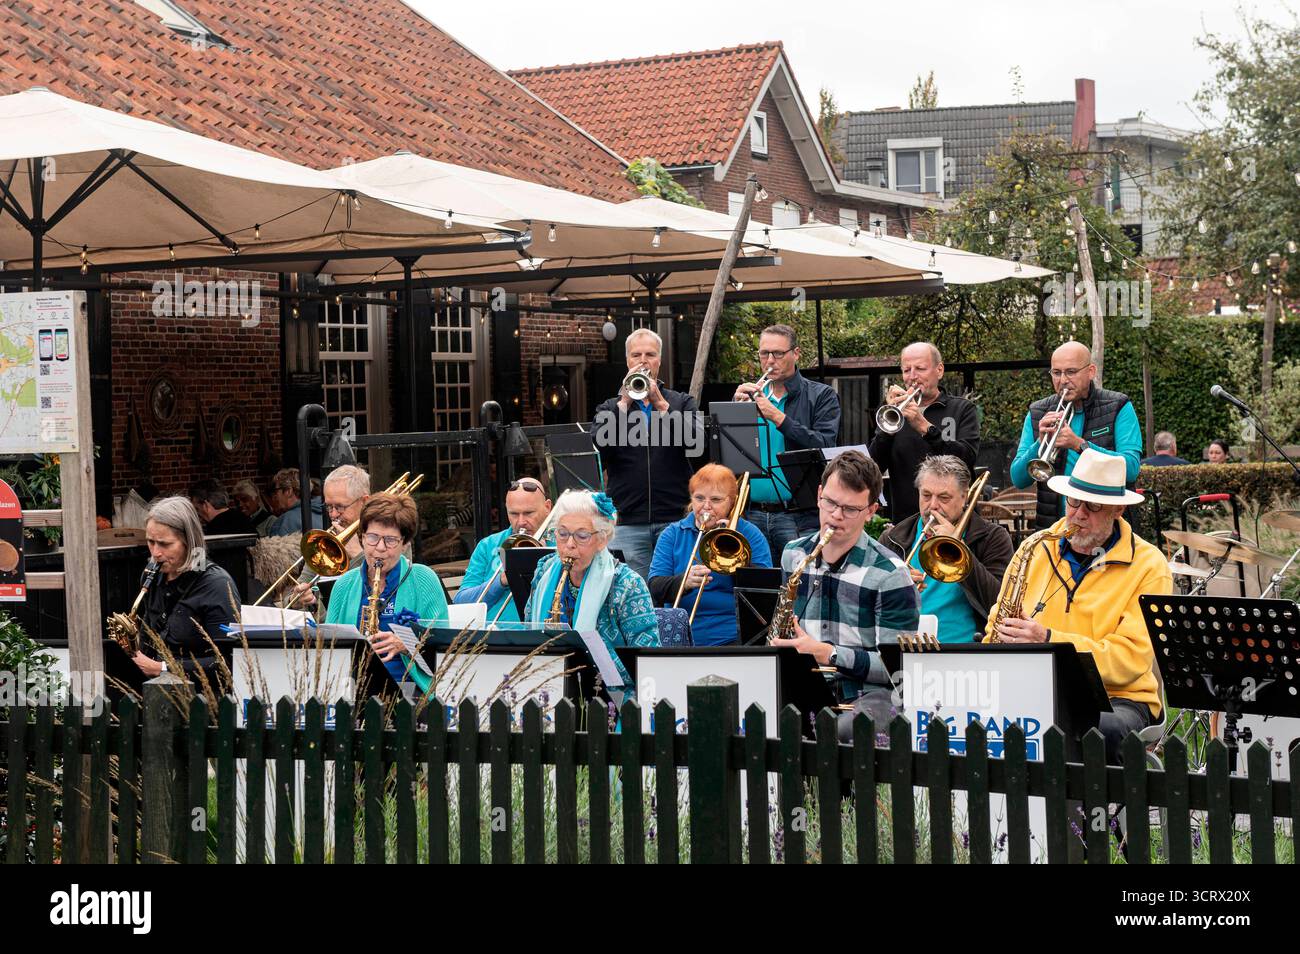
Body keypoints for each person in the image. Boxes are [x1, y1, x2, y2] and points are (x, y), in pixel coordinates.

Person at [985, 448, 1171, 764]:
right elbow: (995, 624)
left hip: (1119, 699)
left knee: (1093, 729)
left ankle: (1086, 813)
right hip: (1037, 686)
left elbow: (1130, 662)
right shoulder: (1035, 547)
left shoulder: (1150, 565)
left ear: (1118, 509)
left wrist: (1049, 641)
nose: (1078, 514)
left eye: (1093, 505)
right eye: (1073, 501)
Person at [770, 451, 920, 741]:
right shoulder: (793, 554)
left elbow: (898, 671)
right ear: (818, 495)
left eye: (850, 509)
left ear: (871, 510)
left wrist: (829, 653)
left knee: (834, 733)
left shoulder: (891, 574)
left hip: (867, 697)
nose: (836, 516)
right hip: (803, 688)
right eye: (830, 503)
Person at [593, 328, 703, 580]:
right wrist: (624, 403)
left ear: (659, 361)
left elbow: (696, 442)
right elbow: (601, 444)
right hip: (628, 521)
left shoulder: (682, 402)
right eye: (636, 355)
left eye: (650, 354)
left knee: (677, 589)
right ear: (628, 362)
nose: (643, 361)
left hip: (676, 518)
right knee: (634, 596)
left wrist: (661, 403)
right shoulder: (611, 406)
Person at [523, 491, 659, 689]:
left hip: (611, 696)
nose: (569, 544)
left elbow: (647, 662)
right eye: (562, 534)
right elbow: (529, 634)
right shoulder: (544, 570)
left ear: (602, 540)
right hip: (549, 688)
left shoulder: (627, 584)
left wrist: (594, 659)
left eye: (582, 536)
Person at [732, 323, 842, 560]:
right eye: (764, 353)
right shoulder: (748, 396)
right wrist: (733, 413)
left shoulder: (821, 395)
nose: (770, 361)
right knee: (756, 587)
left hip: (798, 516)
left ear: (796, 353)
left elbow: (825, 445)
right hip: (751, 514)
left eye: (778, 353)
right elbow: (732, 456)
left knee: (800, 584)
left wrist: (777, 417)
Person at [880, 456, 1013, 643]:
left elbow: (1001, 606)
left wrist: (961, 550)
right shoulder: (893, 538)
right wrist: (894, 586)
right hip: (904, 647)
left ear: (964, 497)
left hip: (966, 653)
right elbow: (868, 605)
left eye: (944, 497)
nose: (933, 505)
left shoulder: (992, 538)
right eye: (926, 495)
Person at [1010, 341, 1142, 529]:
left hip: (1106, 526)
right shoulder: (1037, 412)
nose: (1063, 380)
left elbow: (1131, 469)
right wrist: (1041, 442)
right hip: (1054, 526)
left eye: (1071, 372)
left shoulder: (1118, 406)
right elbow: (1018, 479)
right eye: (1056, 373)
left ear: (1091, 371)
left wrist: (1080, 445)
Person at [325, 493, 448, 695]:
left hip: (410, 692)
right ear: (362, 537)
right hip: (352, 691)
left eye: (390, 540)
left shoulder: (424, 579)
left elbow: (444, 647)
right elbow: (328, 649)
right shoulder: (344, 584)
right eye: (372, 538)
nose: (380, 548)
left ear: (405, 544)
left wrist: (407, 643)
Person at [647, 464, 772, 646]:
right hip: (682, 635)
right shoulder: (672, 533)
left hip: (733, 636)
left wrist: (734, 556)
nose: (706, 507)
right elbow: (655, 587)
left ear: (732, 502)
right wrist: (685, 581)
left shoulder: (749, 534)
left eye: (716, 499)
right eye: (699, 498)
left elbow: (766, 591)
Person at [128, 496, 239, 690]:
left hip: (204, 701)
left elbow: (228, 663)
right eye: (150, 542)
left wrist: (161, 668)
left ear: (189, 541)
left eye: (164, 544)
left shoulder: (216, 585)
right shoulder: (152, 575)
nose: (155, 553)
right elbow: (148, 637)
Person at [867, 341, 979, 521]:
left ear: (939, 370)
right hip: (906, 523)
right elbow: (872, 468)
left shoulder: (962, 409)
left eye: (920, 368)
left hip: (955, 520)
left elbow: (966, 460)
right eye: (906, 370)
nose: (912, 376)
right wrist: (886, 430)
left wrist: (925, 427)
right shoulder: (894, 412)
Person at [453, 477, 553, 623]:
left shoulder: (563, 544)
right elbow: (461, 602)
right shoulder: (488, 545)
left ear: (548, 507)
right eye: (513, 514)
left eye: (528, 513)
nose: (520, 522)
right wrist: (501, 580)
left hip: (540, 636)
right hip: (491, 636)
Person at [289, 464, 372, 614]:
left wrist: (359, 555)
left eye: (340, 507)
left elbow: (387, 597)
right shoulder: (327, 541)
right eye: (329, 507)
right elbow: (295, 595)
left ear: (364, 501)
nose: (333, 515)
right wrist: (296, 599)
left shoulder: (390, 539)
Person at [267, 468, 326, 536]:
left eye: (276, 491)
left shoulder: (284, 522)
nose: (275, 496)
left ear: (288, 491)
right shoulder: (328, 512)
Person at [189, 479, 257, 536]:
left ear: (206, 505)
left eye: (197, 509)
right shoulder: (244, 518)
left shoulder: (214, 529)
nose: (197, 514)